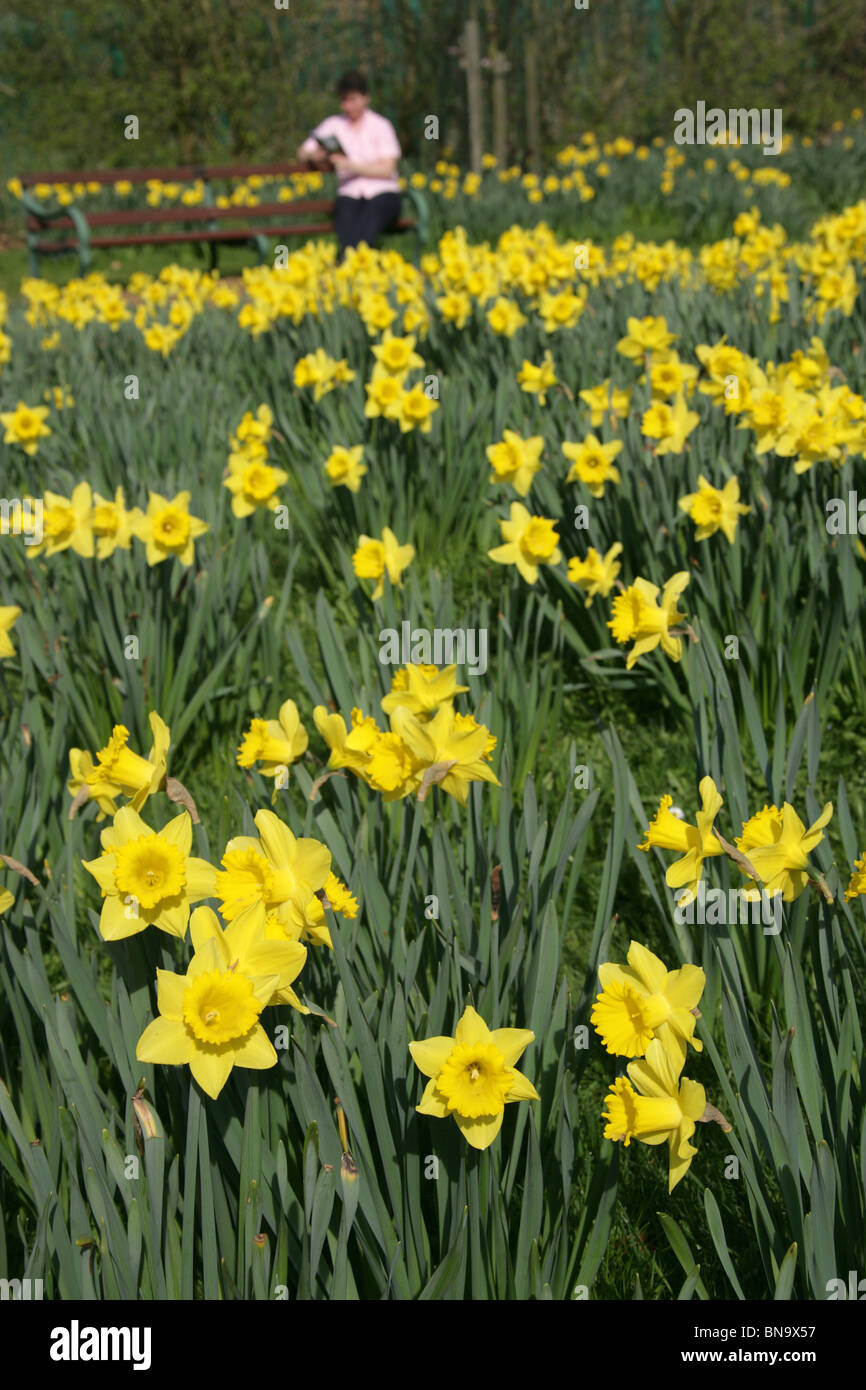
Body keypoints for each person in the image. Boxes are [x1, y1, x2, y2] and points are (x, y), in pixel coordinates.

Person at [296, 70, 402, 256]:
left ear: (365, 98)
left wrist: (351, 166)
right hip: (349, 193)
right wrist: (316, 156)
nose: (347, 105)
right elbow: (302, 152)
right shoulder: (333, 124)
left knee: (369, 220)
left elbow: (387, 169)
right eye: (344, 100)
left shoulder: (381, 126)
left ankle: (349, 264)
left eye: (352, 99)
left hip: (383, 193)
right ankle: (354, 266)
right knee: (345, 218)